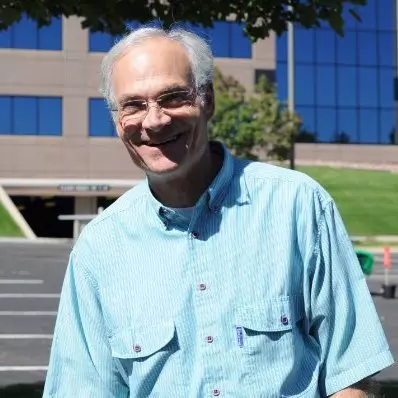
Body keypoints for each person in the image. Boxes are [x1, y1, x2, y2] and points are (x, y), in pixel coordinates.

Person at [43, 24, 394, 397]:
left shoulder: (298, 206)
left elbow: (351, 376)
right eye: (134, 105)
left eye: (173, 97)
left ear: (207, 100)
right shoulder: (98, 249)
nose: (155, 120)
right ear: (117, 121)